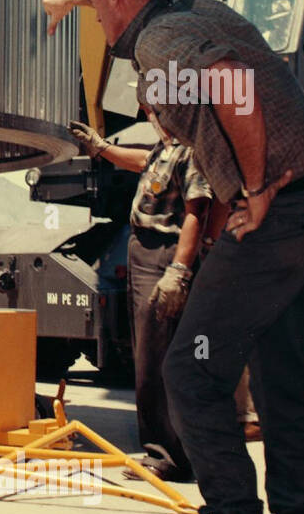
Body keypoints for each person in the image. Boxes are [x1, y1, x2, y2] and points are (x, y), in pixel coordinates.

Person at [44, 0, 304, 514]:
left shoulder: (158, 40)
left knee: (190, 370)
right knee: (280, 366)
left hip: (287, 208)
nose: (95, 13)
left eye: (96, 0)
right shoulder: (192, 9)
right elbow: (222, 66)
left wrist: (256, 188)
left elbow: (231, 82)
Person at [68, 116, 210, 481]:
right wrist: (101, 148)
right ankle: (164, 449)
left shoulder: (192, 152)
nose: (150, 115)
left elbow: (197, 211)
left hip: (163, 252)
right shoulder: (166, 150)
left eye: (153, 109)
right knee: (146, 355)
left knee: (157, 356)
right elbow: (139, 161)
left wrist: (179, 269)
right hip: (142, 251)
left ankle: (172, 456)